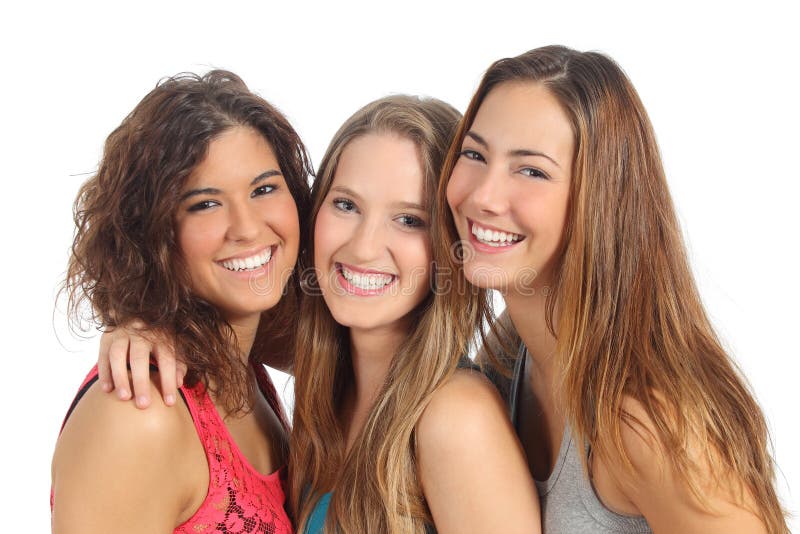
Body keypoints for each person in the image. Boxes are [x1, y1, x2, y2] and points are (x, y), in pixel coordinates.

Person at [93, 95, 541, 533]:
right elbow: (216, 314)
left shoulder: (457, 419)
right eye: (346, 205)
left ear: (453, 242)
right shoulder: (329, 383)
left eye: (409, 220)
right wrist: (142, 323)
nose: (364, 247)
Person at [441, 45, 787, 532]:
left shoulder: (647, 420)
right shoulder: (513, 346)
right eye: (474, 154)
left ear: (598, 198)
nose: (483, 195)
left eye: (532, 170)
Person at [51, 70, 312, 533]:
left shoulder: (247, 366)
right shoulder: (139, 414)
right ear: (153, 233)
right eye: (205, 204)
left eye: (264, 189)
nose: (248, 228)